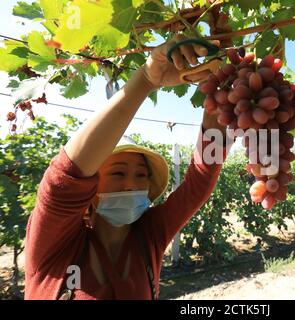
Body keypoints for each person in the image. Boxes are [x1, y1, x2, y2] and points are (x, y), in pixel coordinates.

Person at [24, 35, 232, 300]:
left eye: (142, 175)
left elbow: (197, 185)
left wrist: (219, 102)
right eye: (118, 172)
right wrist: (146, 80)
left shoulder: (149, 235)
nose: (133, 184)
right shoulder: (55, 243)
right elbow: (64, 181)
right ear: (90, 187)